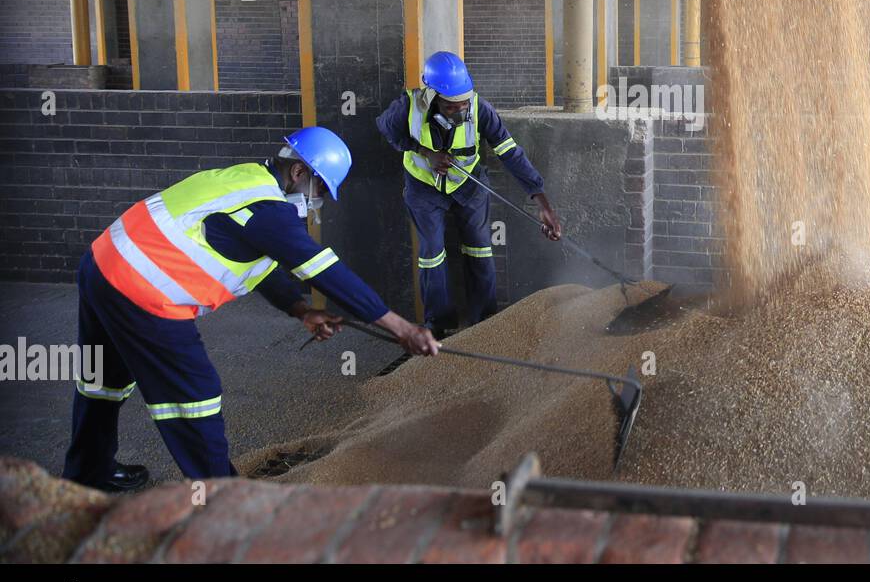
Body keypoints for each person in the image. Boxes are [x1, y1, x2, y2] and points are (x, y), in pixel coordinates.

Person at [62, 126, 436, 492]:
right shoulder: (268, 209)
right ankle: (223, 502)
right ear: (299, 171)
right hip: (142, 288)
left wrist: (301, 310)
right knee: (196, 395)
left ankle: (88, 471)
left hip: (102, 264)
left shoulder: (246, 181)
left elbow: (259, 265)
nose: (317, 199)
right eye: (319, 188)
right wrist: (402, 328)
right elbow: (326, 270)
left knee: (103, 380)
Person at [376, 51, 561, 337]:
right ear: (432, 96)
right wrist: (425, 152)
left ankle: (484, 323)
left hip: (470, 185)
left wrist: (541, 200)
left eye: (464, 103)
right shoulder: (409, 106)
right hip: (423, 187)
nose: (461, 111)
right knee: (431, 254)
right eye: (451, 107)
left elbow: (510, 152)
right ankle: (438, 325)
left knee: (480, 248)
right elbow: (387, 129)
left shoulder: (480, 108)